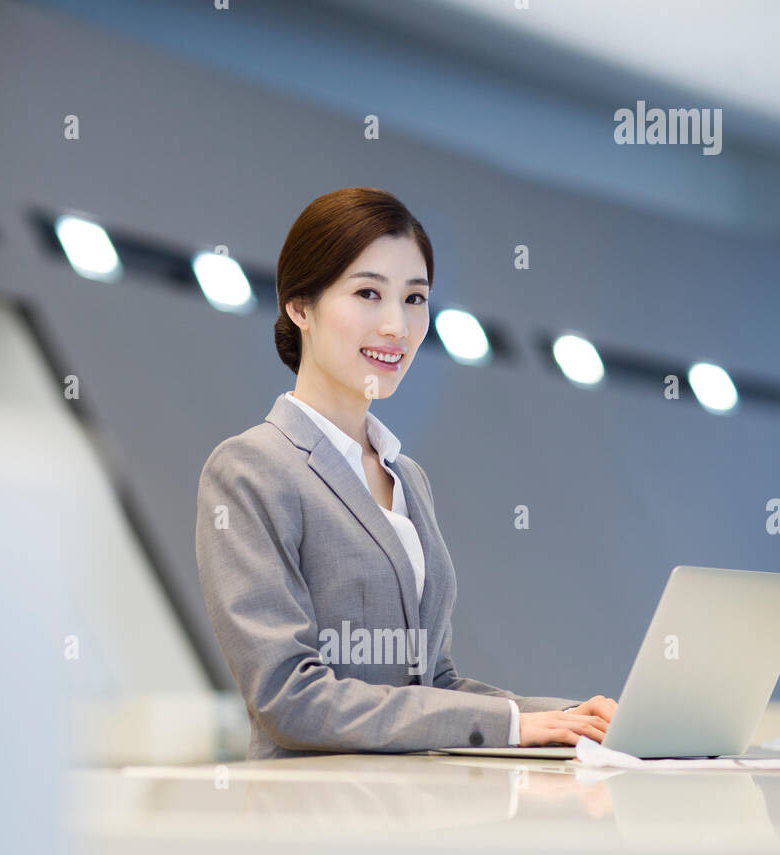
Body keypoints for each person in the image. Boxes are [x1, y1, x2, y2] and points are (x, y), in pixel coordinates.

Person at [196, 187, 616, 760]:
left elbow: (431, 687)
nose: (397, 325)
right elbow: (288, 698)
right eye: (369, 293)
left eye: (415, 298)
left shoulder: (407, 477)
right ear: (300, 307)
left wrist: (566, 718)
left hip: (413, 812)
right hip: (309, 821)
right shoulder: (251, 469)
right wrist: (514, 725)